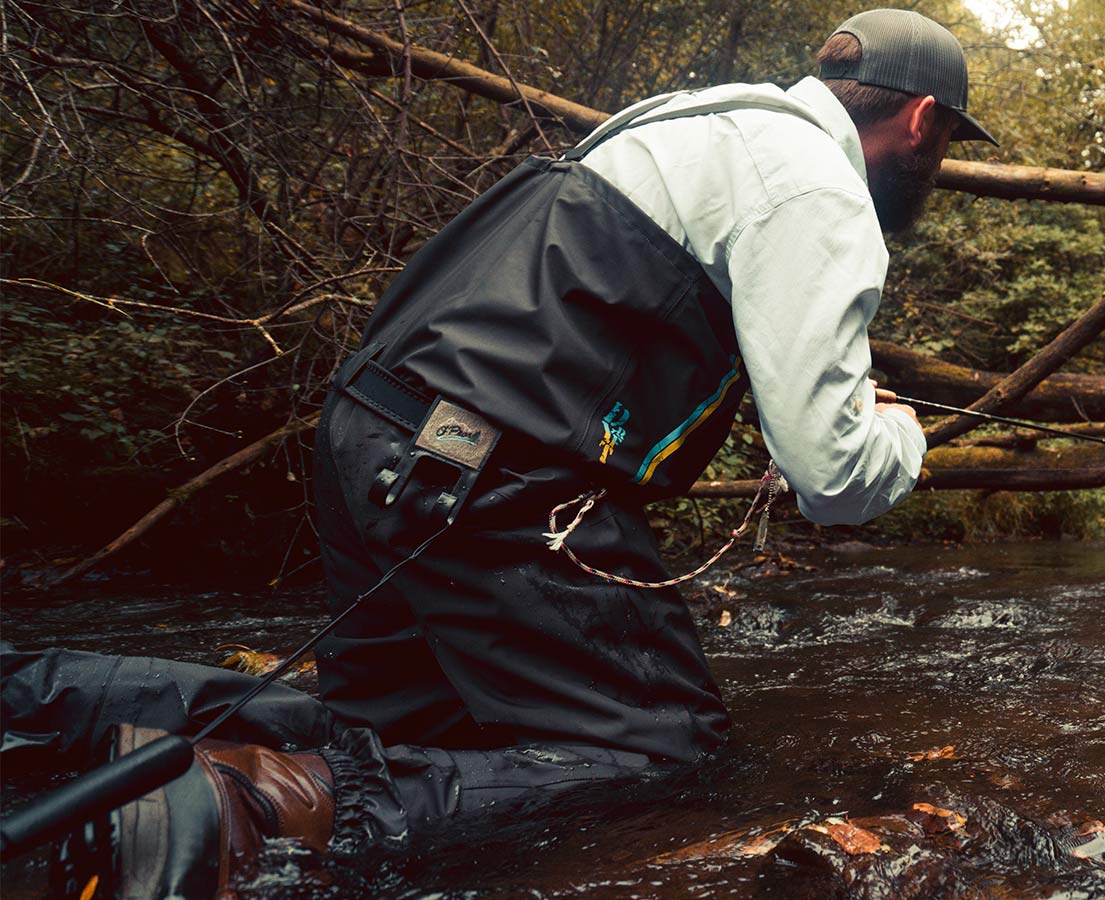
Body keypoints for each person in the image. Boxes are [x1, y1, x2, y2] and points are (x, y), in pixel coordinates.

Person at [3, 9, 996, 898]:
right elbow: (832, 479)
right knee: (662, 763)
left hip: (384, 433)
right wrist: (895, 432)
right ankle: (244, 813)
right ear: (919, 123)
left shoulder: (680, 124)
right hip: (495, 470)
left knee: (397, 742)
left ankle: (33, 700)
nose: (940, 166)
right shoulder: (817, 191)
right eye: (946, 142)